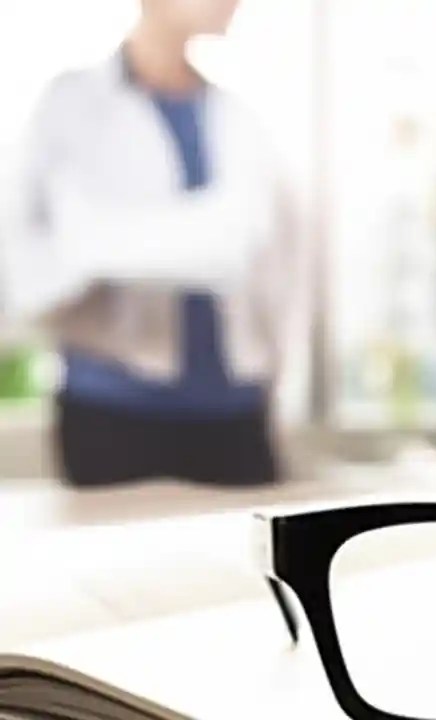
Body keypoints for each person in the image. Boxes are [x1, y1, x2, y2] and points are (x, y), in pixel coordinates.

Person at [2, 0, 308, 486]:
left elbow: (261, 259)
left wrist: (118, 241)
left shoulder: (239, 118)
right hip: (114, 413)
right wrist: (201, 236)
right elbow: (40, 260)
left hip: (234, 413)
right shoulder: (72, 103)